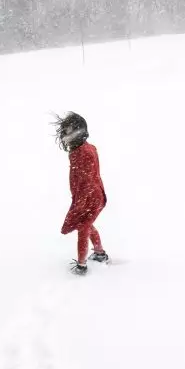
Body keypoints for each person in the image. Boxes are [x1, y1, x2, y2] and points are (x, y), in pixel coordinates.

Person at [55, 112, 109, 275]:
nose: (65, 136)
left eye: (68, 131)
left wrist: (79, 204)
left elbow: (86, 182)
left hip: (89, 198)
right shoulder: (84, 149)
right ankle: (100, 254)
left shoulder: (83, 153)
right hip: (92, 196)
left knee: (83, 228)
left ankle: (81, 265)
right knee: (86, 224)